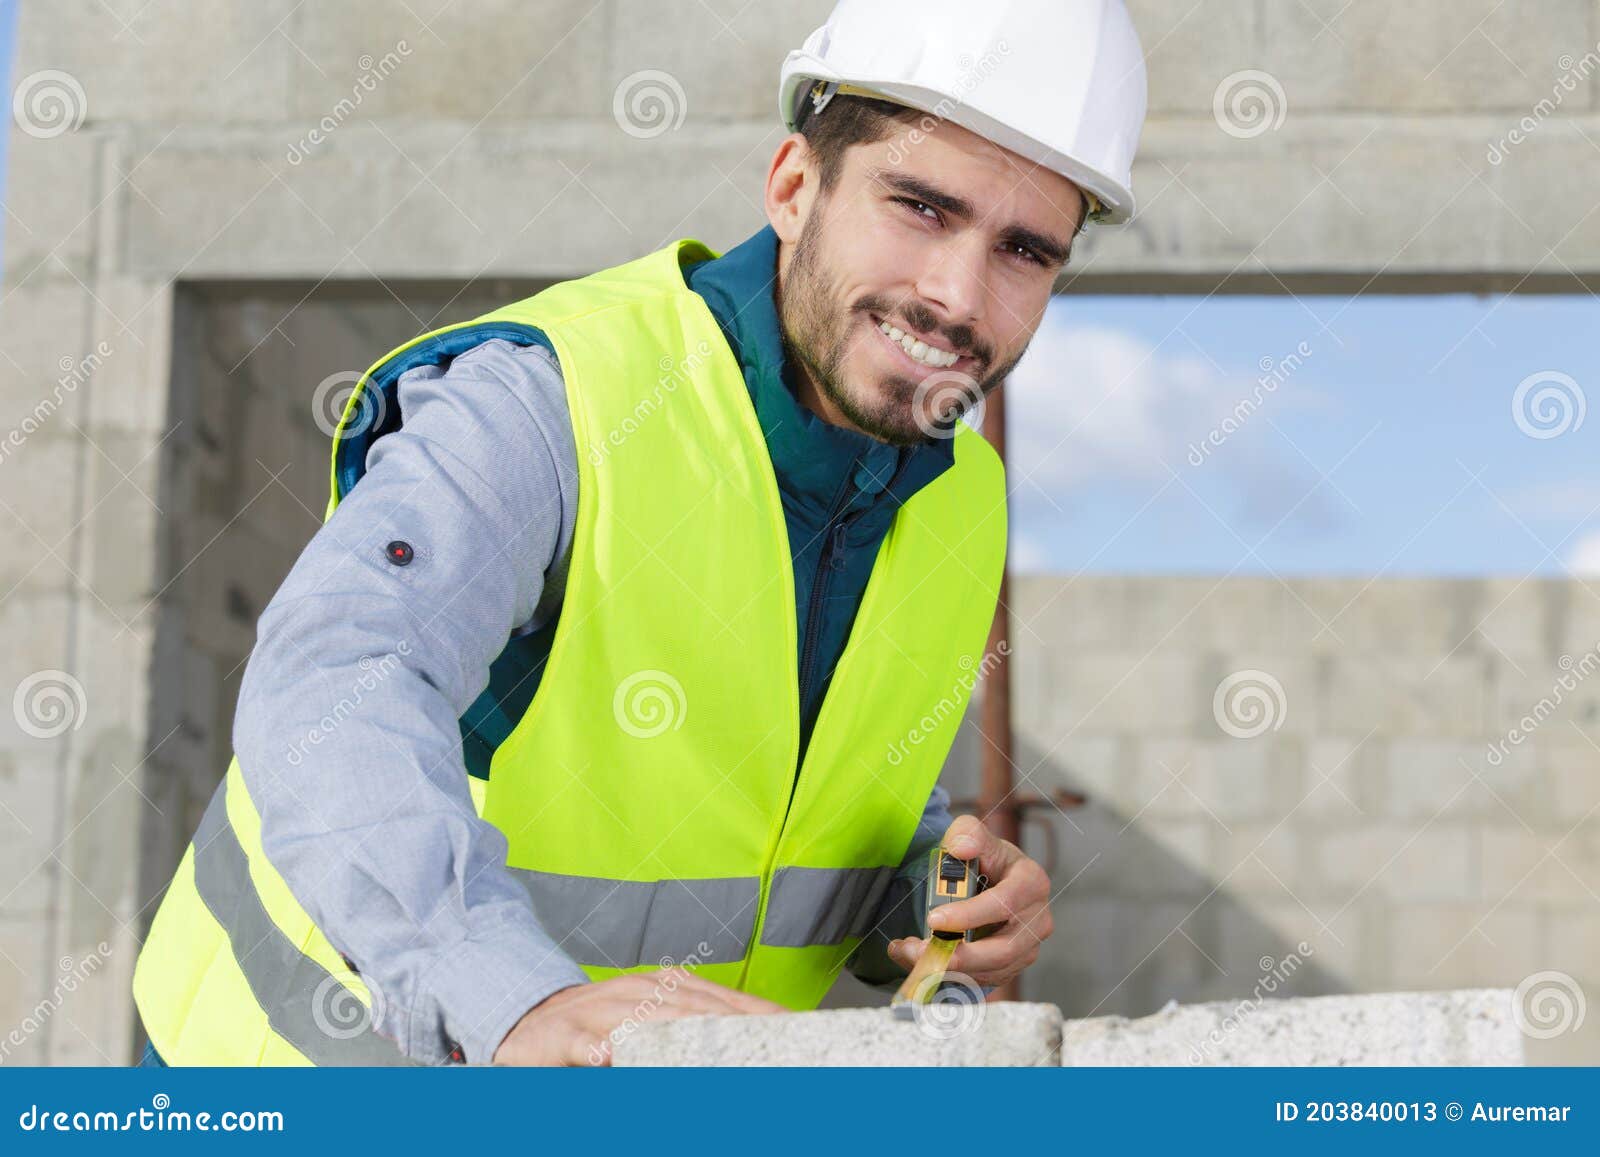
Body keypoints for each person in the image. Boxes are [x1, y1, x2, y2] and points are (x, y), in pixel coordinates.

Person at [131, 0, 1147, 1066]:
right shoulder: (550, 399)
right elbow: (335, 678)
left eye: (1025, 250)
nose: (958, 295)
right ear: (796, 188)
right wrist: (504, 991)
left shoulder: (959, 494)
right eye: (922, 208)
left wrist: (929, 883)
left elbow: (793, 809)